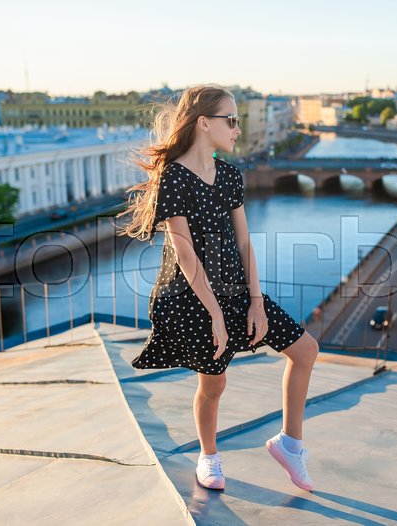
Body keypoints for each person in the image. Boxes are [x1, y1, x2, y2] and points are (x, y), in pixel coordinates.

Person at [116, 84, 319, 492]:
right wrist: (215, 315)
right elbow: (186, 255)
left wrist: (256, 303)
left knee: (305, 349)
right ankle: (208, 458)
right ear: (204, 123)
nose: (237, 129)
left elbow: (244, 243)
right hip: (192, 297)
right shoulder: (174, 178)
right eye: (232, 120)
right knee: (214, 383)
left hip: (235, 289)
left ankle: (290, 444)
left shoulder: (229, 175)